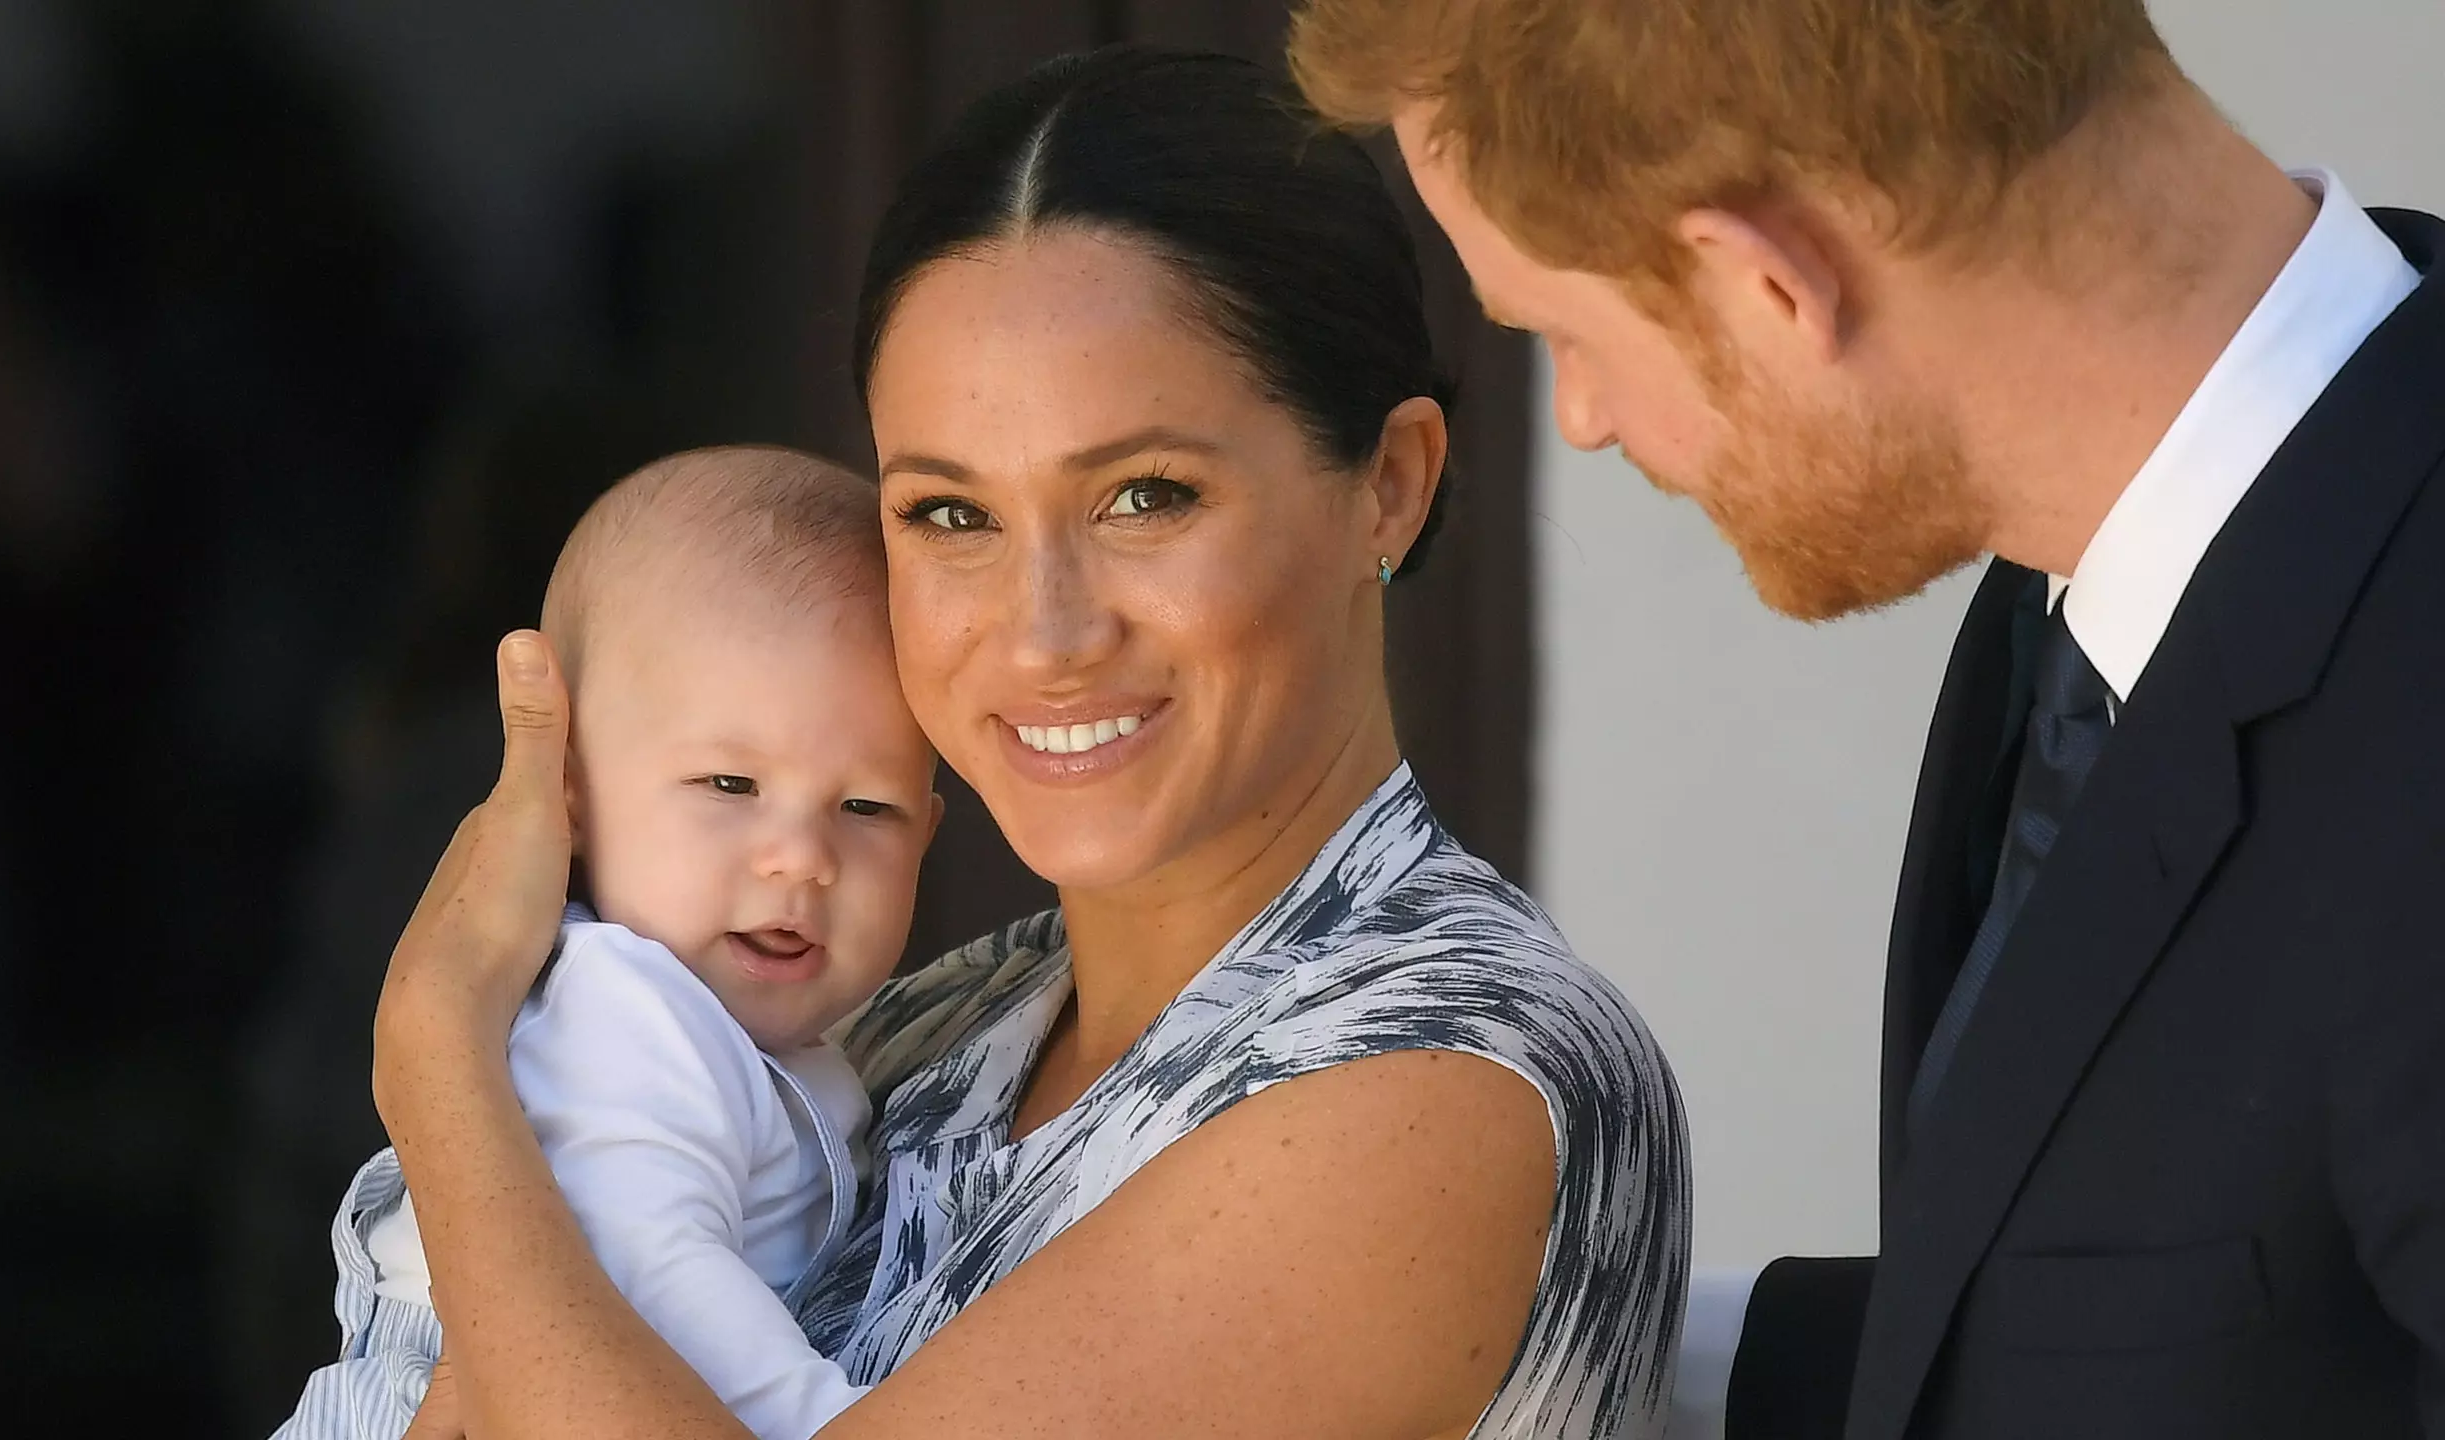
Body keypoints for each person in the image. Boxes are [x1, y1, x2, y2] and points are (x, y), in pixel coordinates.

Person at [366, 47, 1689, 1440]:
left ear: (1391, 488)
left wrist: (440, 1054)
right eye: (950, 514)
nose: (1043, 633)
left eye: (1144, 495)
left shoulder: (1447, 1079)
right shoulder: (933, 1028)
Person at [1290, 1, 2445, 1437]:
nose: (1580, 417)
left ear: (1768, 286)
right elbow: (2188, 1327)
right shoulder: (2097, 593)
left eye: (1561, 335)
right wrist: (1527, 1343)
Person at [274, 446, 941, 1440]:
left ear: (929, 831)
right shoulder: (625, 1013)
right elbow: (654, 1281)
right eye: (730, 787)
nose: (801, 858)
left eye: (866, 806)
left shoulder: (759, 1038)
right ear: (570, 798)